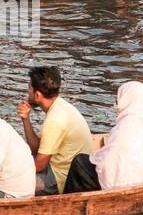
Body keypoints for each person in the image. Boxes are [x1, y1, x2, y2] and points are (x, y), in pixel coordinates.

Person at [64, 81, 143, 193]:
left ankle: (69, 203)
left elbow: (110, 162)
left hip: (127, 183)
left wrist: (98, 159)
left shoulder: (128, 124)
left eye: (118, 100)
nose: (116, 104)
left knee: (79, 162)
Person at [18, 65, 92, 195]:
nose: (27, 91)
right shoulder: (59, 107)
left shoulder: (55, 119)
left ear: (37, 94)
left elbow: (40, 165)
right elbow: (37, 149)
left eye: (29, 87)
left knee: (10, 184)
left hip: (58, 178)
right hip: (57, 169)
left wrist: (12, 175)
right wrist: (25, 119)